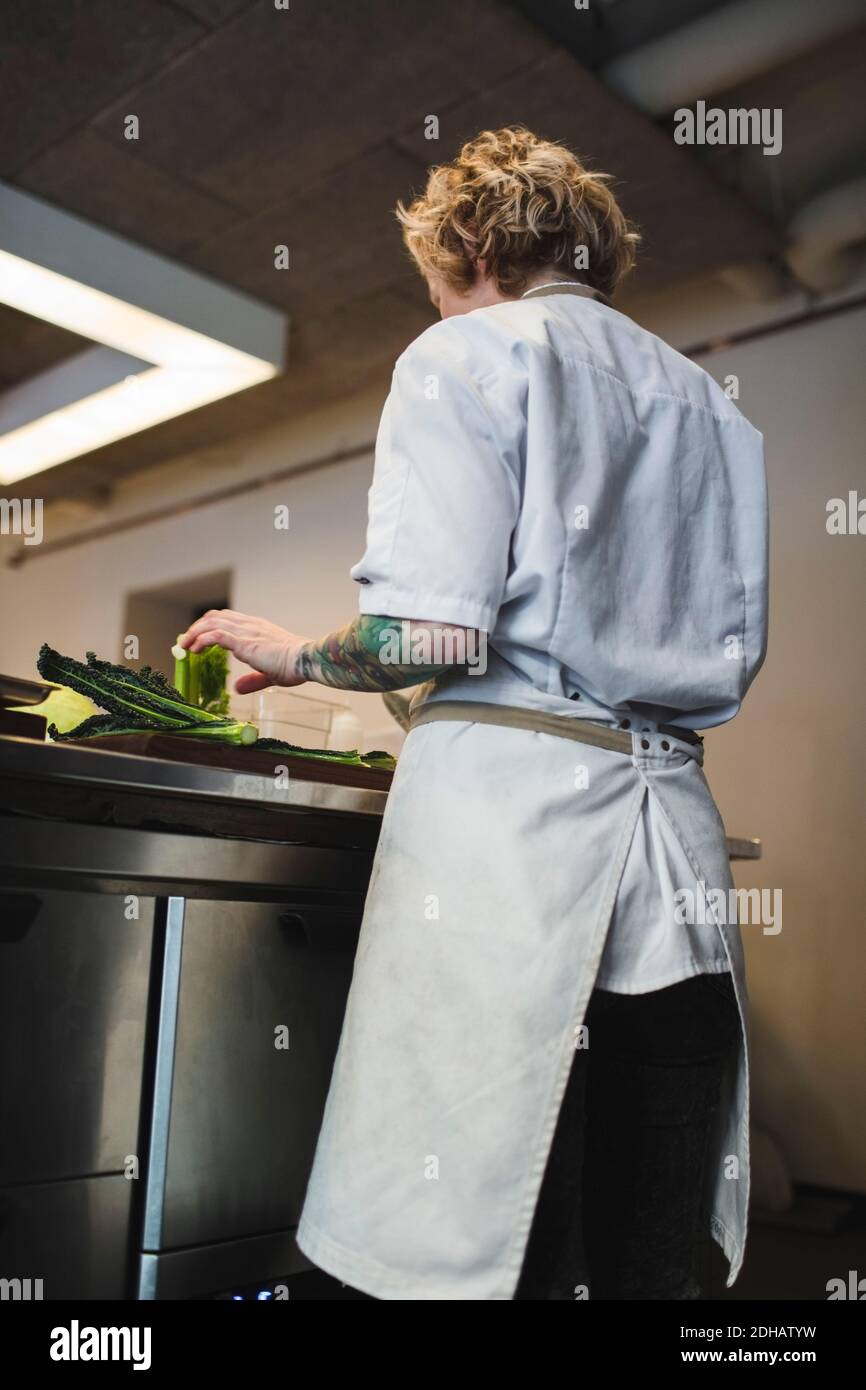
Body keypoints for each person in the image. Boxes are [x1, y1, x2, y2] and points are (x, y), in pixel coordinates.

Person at [179, 126, 769, 1300]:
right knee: (635, 1239)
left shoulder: (466, 355)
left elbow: (428, 634)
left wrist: (296, 653)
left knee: (451, 1236)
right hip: (673, 859)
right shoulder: (714, 409)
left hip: (509, 862)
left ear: (464, 245)